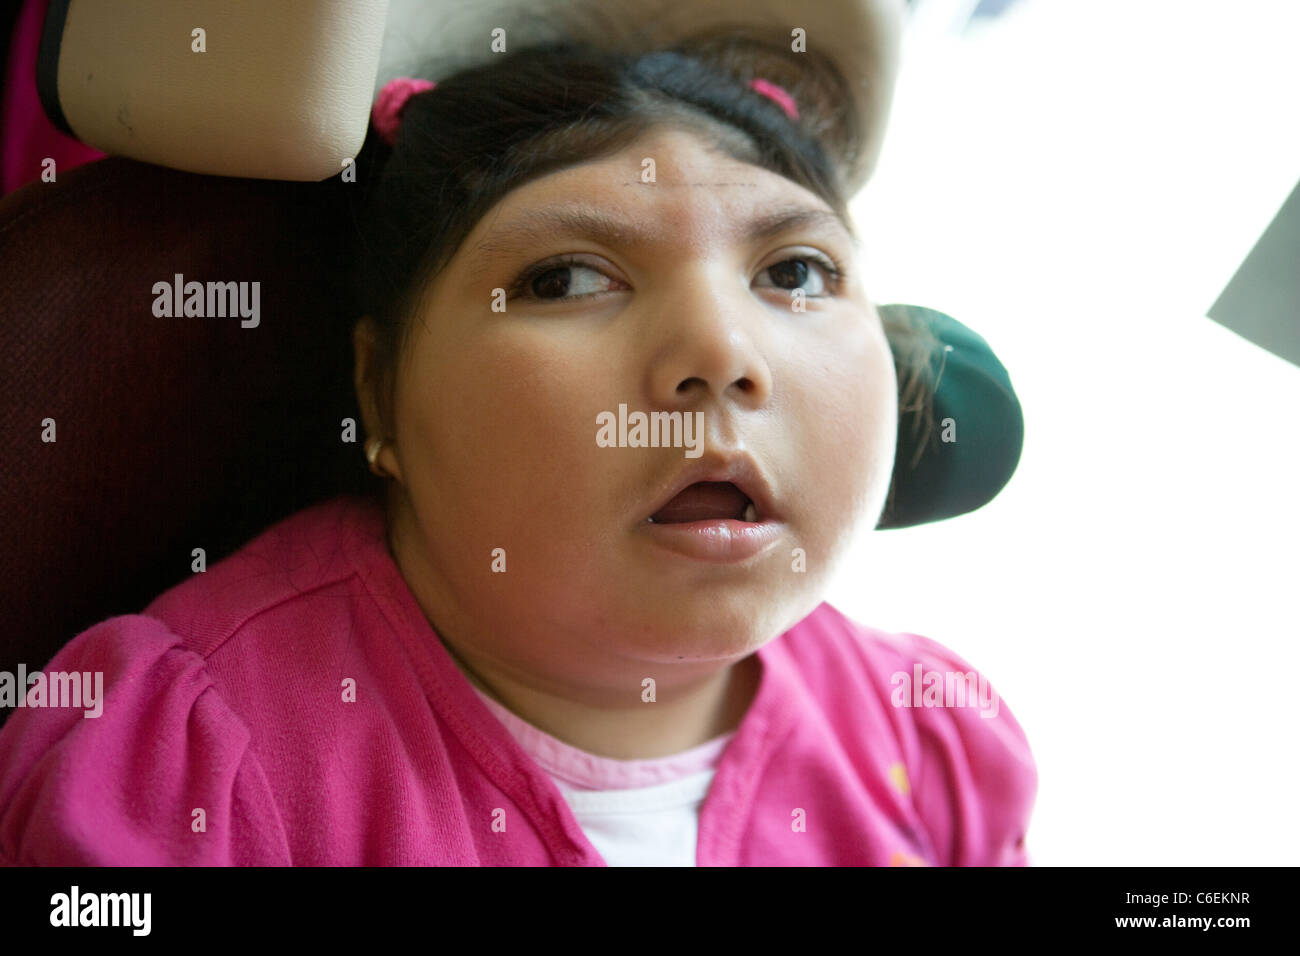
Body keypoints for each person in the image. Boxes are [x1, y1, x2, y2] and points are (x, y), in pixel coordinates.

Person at [0, 35, 1036, 866]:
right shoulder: (201, 772)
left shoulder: (931, 742)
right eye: (566, 280)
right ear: (382, 398)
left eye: (799, 272)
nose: (722, 353)